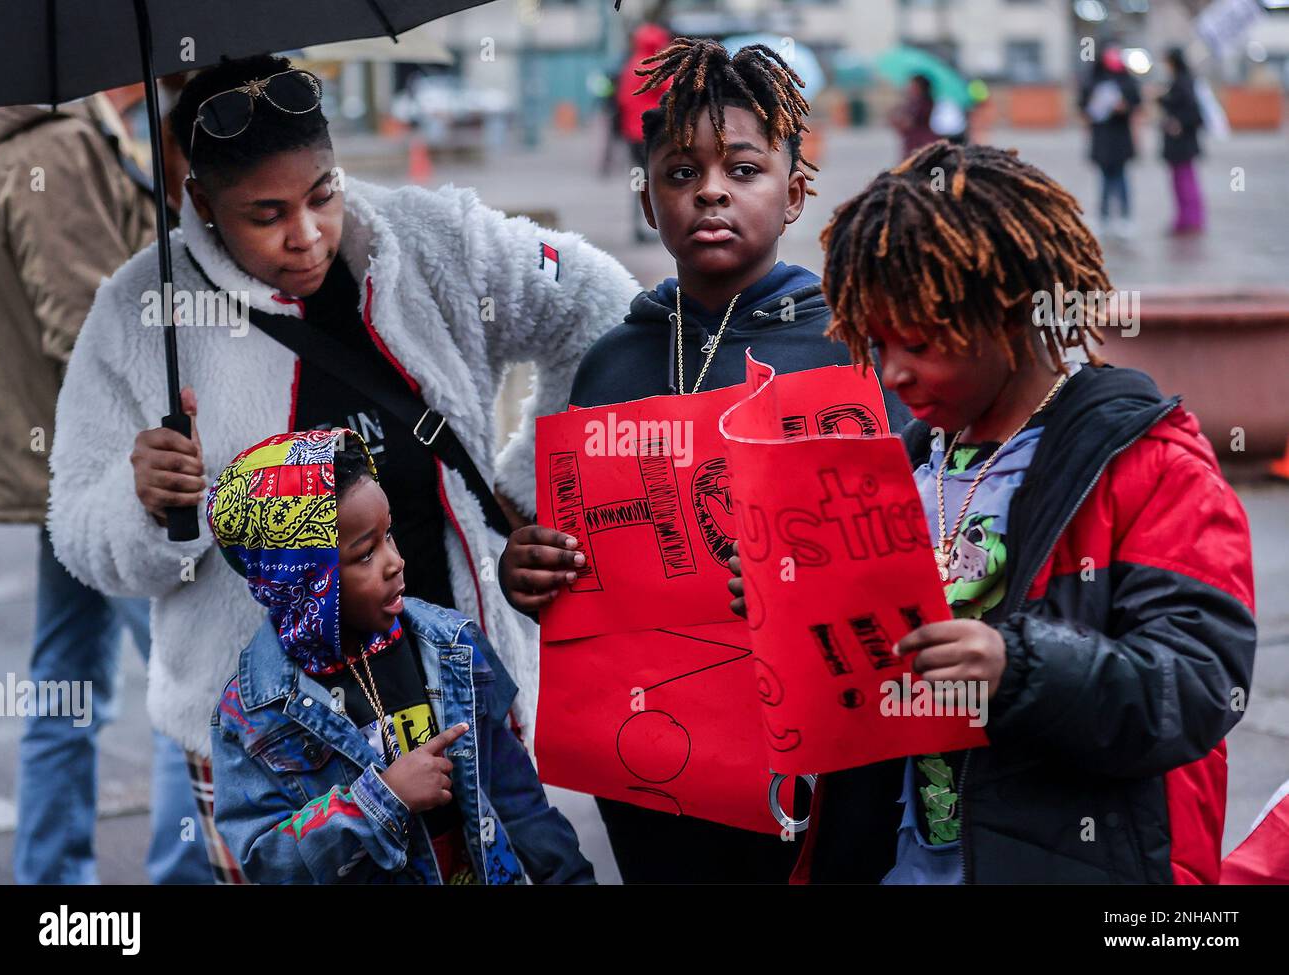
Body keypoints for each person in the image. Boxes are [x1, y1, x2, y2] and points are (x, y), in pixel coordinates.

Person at [47, 53, 639, 882]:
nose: (307, 234)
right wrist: (142, 502)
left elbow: (604, 310)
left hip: (459, 696)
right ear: (203, 205)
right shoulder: (139, 314)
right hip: (269, 747)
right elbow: (77, 528)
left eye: (323, 193)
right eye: (266, 214)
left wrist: (526, 487)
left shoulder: (434, 241)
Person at [730, 142, 1256, 884]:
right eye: (875, 344)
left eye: (920, 341)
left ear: (1011, 315)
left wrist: (1020, 667)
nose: (893, 373)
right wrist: (787, 608)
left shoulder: (1151, 467)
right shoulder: (904, 467)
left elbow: (1199, 687)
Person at [498, 37, 910, 884]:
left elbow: (911, 562)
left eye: (744, 170)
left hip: (823, 770)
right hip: (655, 765)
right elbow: (577, 558)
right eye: (680, 172)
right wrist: (530, 572)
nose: (710, 189)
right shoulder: (611, 362)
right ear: (648, 200)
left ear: (794, 194)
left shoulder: (848, 352)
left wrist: (800, 584)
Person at [0, 86, 211, 884]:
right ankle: (181, 872)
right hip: (111, 475)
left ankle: (52, 883)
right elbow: (88, 327)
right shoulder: (53, 146)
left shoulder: (53, 136)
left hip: (73, 471)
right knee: (185, 679)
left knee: (64, 688)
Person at [206, 429, 594, 884]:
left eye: (388, 535)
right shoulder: (253, 715)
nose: (395, 562)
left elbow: (518, 802)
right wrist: (382, 798)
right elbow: (270, 864)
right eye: (365, 553)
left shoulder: (452, 646)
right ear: (300, 578)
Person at [616, 22, 673, 242]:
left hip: (633, 133)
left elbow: (622, 99)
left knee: (640, 178)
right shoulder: (652, 64)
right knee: (657, 178)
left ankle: (639, 225)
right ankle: (652, 224)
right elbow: (672, 88)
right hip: (649, 134)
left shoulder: (632, 63)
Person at [1079, 45, 1140, 239]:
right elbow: (1083, 106)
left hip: (1120, 137)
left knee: (1121, 179)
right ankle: (1104, 218)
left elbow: (1136, 103)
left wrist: (1125, 107)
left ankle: (1125, 218)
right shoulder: (1093, 79)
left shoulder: (1127, 81)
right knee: (1104, 181)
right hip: (1102, 137)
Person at [1159, 47, 1205, 236]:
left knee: (1186, 182)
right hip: (1177, 143)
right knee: (1179, 182)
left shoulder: (1184, 82)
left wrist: (1179, 123)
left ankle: (1191, 219)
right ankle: (1184, 219)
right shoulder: (1179, 81)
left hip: (1183, 144)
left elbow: (1194, 113)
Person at [890, 74, 937, 161]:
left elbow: (908, 124)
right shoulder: (912, 103)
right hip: (912, 144)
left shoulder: (924, 104)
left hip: (920, 144)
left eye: (913, 86)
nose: (910, 88)